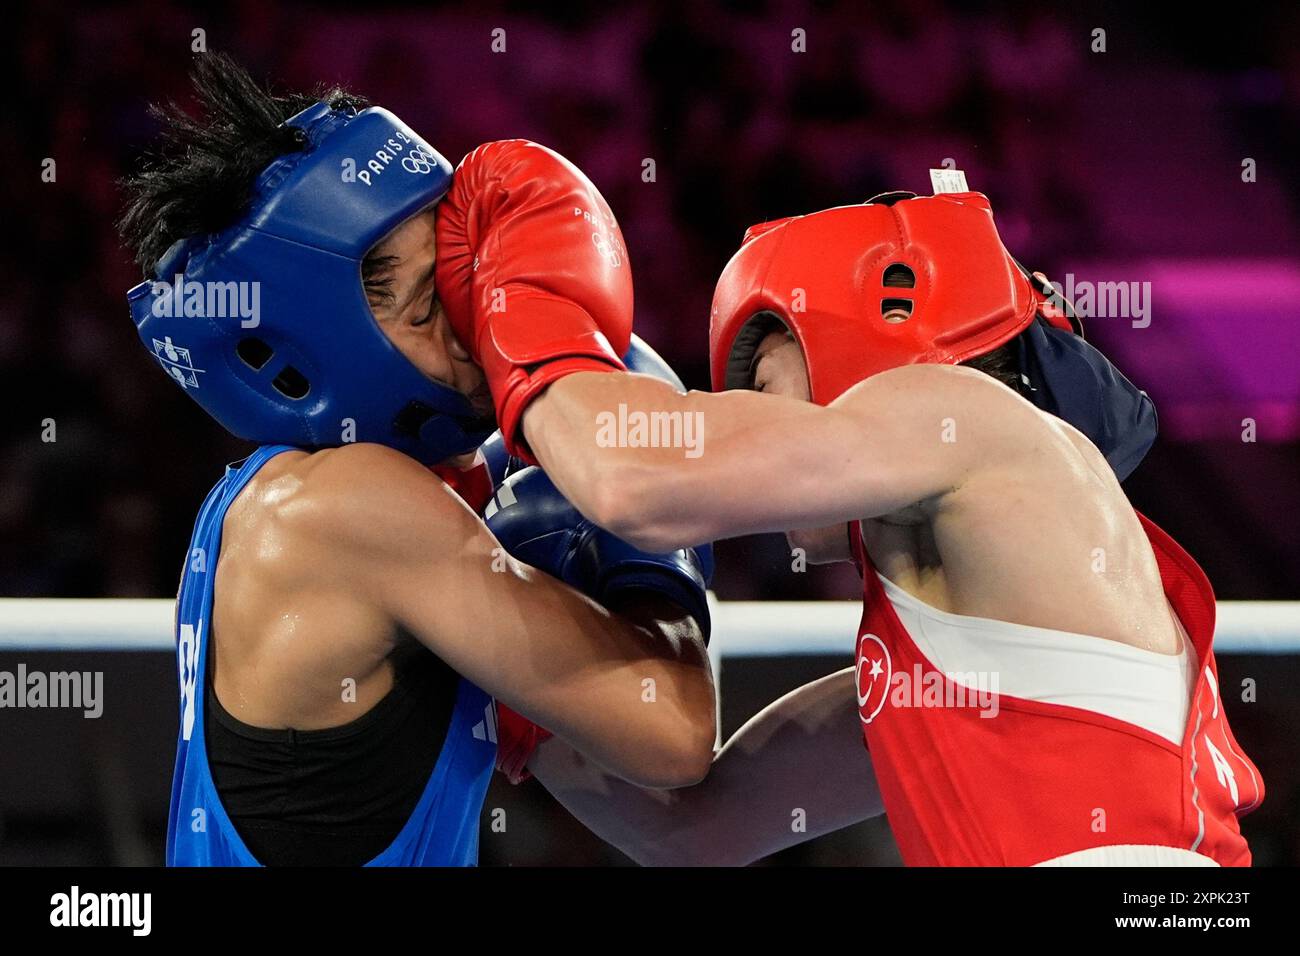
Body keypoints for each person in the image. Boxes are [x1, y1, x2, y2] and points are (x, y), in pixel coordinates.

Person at [437, 177, 1264, 866]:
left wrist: (522, 300)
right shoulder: (941, 675)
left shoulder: (964, 413)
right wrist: (505, 655)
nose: (743, 415)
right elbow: (695, 831)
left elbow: (632, 482)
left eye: (760, 382)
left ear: (872, 332)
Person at [119, 54, 714, 866]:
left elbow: (679, 821)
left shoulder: (285, 502)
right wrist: (650, 538)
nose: (475, 324)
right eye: (433, 306)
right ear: (315, 357)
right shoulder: (350, 509)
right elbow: (673, 734)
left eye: (470, 273)